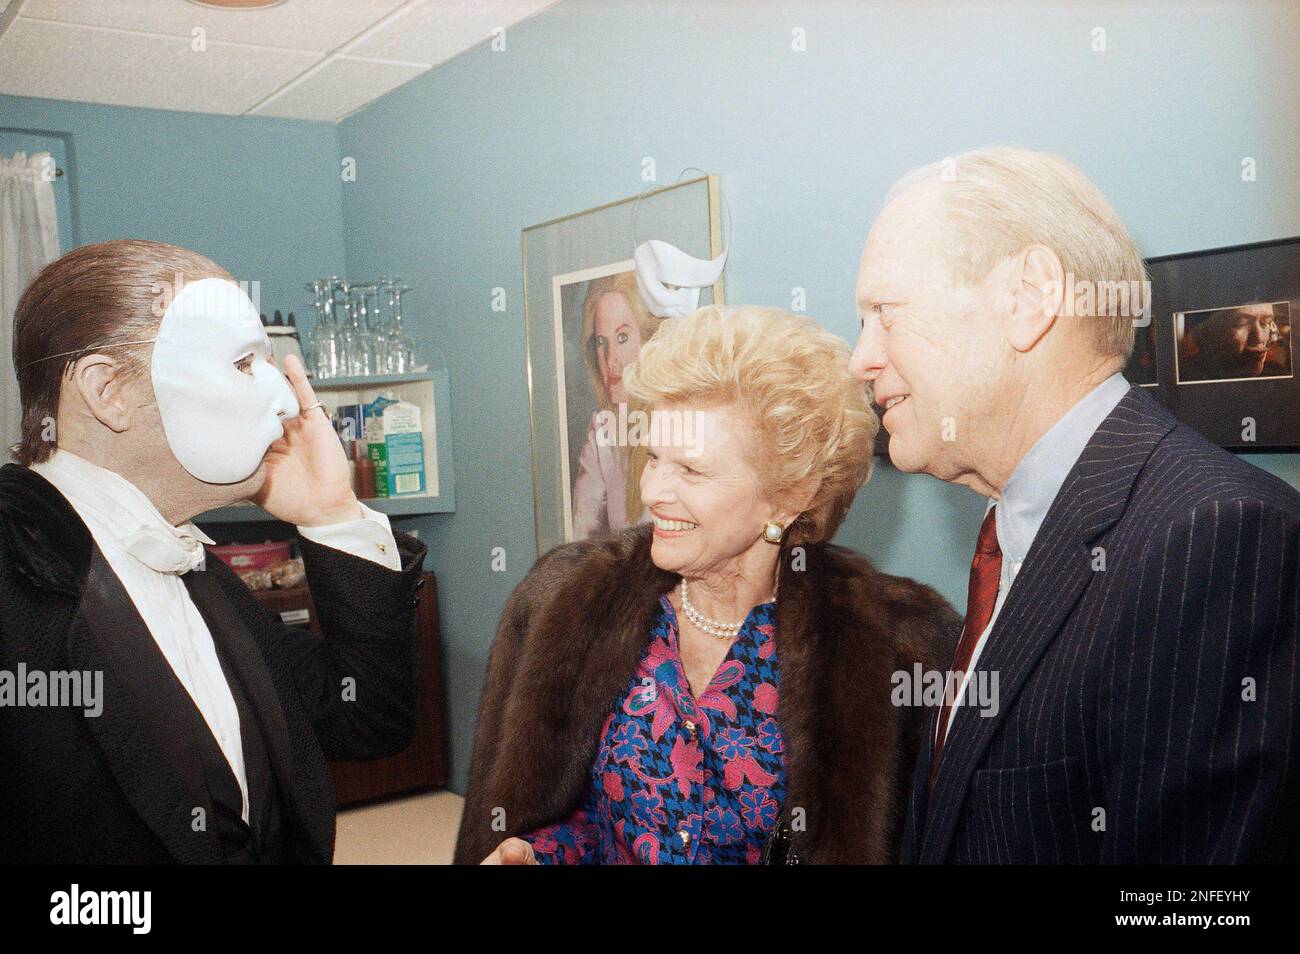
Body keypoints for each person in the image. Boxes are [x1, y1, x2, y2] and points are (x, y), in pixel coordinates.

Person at [850, 146, 1300, 863]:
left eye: (884, 313)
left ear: (1028, 298)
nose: (861, 358)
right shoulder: (1017, 530)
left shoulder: (1217, 537)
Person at [456, 305, 959, 865]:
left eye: (691, 470)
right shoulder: (574, 605)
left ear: (789, 494)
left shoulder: (890, 645)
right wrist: (540, 855)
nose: (652, 492)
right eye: (653, 459)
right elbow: (599, 824)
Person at [0, 240, 427, 863]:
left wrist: (332, 515)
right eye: (244, 363)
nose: (285, 400)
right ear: (109, 391)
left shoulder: (202, 577)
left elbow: (365, 719)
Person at [571, 270, 660, 538]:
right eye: (601, 342)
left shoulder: (680, 421)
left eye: (622, 338)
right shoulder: (603, 432)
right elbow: (581, 537)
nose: (610, 361)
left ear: (650, 341)